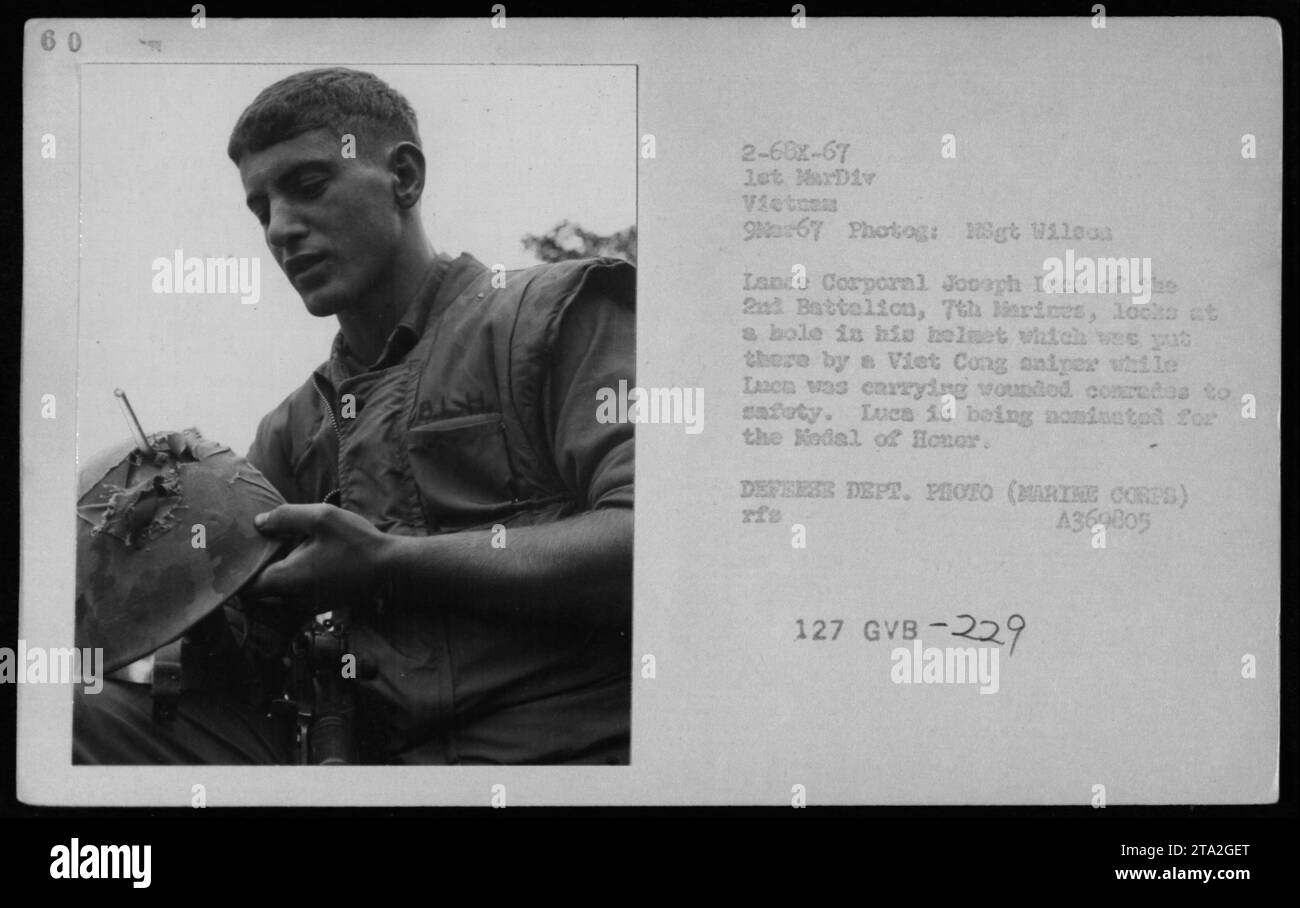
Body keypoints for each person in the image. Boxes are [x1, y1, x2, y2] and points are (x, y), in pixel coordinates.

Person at [74, 67, 635, 765]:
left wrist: (390, 564)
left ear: (403, 178)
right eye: (260, 209)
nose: (280, 229)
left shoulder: (549, 315)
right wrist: (191, 601)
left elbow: (654, 545)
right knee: (74, 712)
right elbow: (259, 654)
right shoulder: (288, 430)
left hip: (560, 751)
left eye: (308, 187)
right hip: (360, 762)